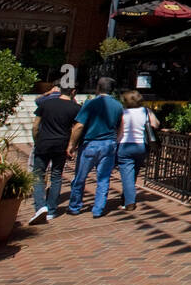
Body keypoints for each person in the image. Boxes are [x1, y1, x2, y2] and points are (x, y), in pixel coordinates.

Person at [67, 77, 124, 217]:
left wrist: (71, 144)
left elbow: (79, 125)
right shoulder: (118, 106)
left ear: (98, 88)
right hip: (109, 144)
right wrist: (114, 141)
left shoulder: (90, 103)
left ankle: (75, 206)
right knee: (103, 178)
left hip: (90, 143)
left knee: (80, 177)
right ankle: (98, 209)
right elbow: (121, 127)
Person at [29, 85, 81, 223]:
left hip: (44, 142)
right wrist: (72, 145)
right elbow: (78, 127)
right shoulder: (75, 108)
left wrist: (36, 140)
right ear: (73, 92)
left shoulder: (46, 103)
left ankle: (40, 206)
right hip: (61, 144)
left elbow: (35, 126)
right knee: (56, 175)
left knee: (38, 174)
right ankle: (51, 210)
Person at [115, 90, 159, 213]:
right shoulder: (146, 111)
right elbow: (155, 124)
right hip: (141, 145)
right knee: (133, 173)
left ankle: (129, 202)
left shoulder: (124, 113)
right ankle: (126, 197)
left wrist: (116, 143)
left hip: (125, 145)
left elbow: (120, 132)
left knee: (126, 174)